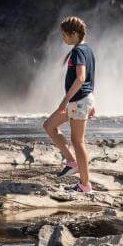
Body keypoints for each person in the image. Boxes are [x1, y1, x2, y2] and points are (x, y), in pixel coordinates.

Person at [42, 16, 97, 194]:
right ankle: (71, 162)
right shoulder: (87, 50)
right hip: (82, 100)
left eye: (64, 35)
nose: (63, 38)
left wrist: (65, 101)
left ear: (74, 34)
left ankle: (85, 185)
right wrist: (92, 100)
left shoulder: (78, 52)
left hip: (78, 101)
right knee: (49, 126)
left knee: (78, 141)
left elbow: (81, 78)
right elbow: (90, 78)